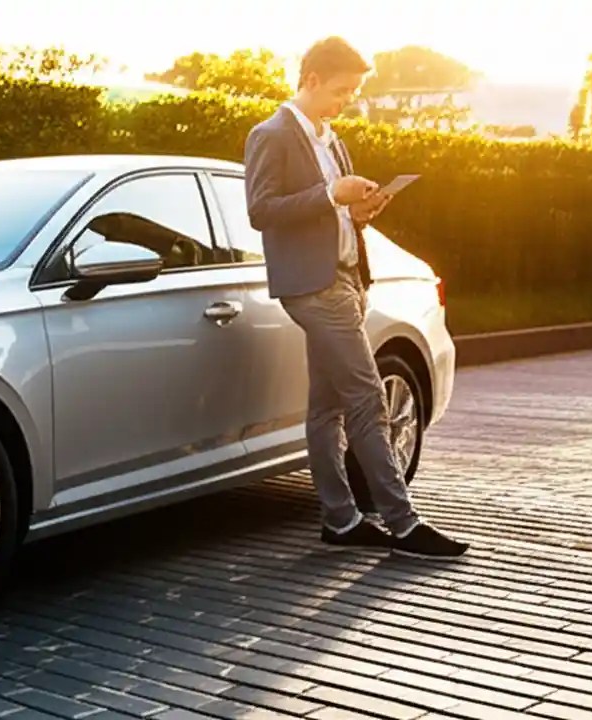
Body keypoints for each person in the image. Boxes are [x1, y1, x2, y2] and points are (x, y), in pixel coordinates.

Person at [243, 36, 468, 559]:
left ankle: (341, 521)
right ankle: (404, 523)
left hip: (348, 279)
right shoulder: (270, 134)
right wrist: (330, 194)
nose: (347, 101)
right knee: (367, 398)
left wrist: (360, 209)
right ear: (312, 79)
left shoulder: (334, 140)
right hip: (312, 287)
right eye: (341, 90)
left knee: (326, 407)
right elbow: (261, 210)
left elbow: (337, 212)